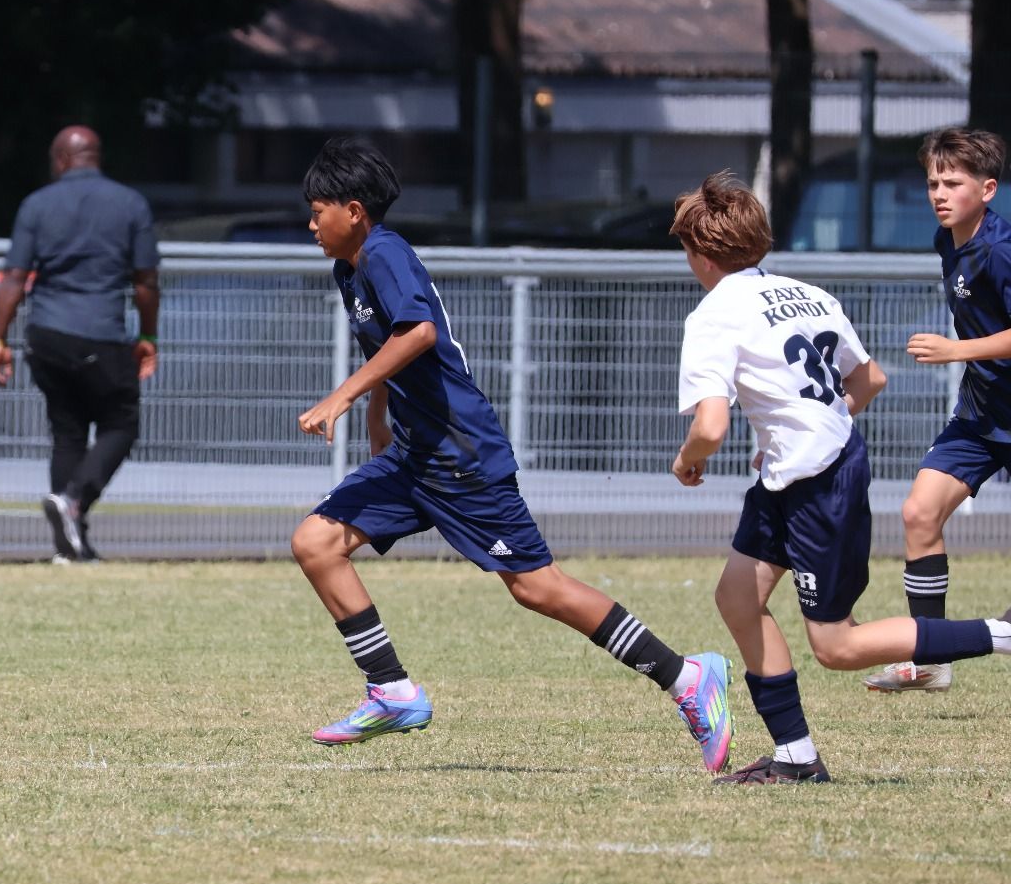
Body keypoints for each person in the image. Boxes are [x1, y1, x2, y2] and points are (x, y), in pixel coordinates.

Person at [290, 136, 735, 774]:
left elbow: (419, 333)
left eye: (318, 211)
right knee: (315, 542)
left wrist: (340, 398)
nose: (311, 224)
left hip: (461, 454)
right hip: (416, 455)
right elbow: (388, 348)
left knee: (536, 588)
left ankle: (687, 676)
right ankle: (391, 690)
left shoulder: (384, 253)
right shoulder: (349, 266)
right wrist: (377, 418)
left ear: (354, 211)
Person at [669, 172, 1011, 784]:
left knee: (837, 646)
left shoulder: (712, 315)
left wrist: (690, 459)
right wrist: (807, 423)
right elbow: (869, 381)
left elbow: (712, 426)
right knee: (737, 597)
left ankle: (1003, 634)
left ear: (699, 254)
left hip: (818, 481)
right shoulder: (807, 294)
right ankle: (795, 757)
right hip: (802, 468)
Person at [867, 127, 1011, 693]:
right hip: (981, 414)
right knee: (919, 514)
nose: (940, 193)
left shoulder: (1001, 251)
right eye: (933, 182)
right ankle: (930, 657)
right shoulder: (947, 239)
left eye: (953, 182)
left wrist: (957, 350)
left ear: (989, 189)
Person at [0, 125, 160, 563]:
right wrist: (147, 336)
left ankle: (71, 544)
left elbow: (12, 279)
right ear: (94, 156)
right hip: (101, 333)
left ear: (62, 158)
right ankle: (75, 501)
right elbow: (145, 282)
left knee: (67, 435)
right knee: (121, 425)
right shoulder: (131, 204)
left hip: (46, 334)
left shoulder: (37, 204)